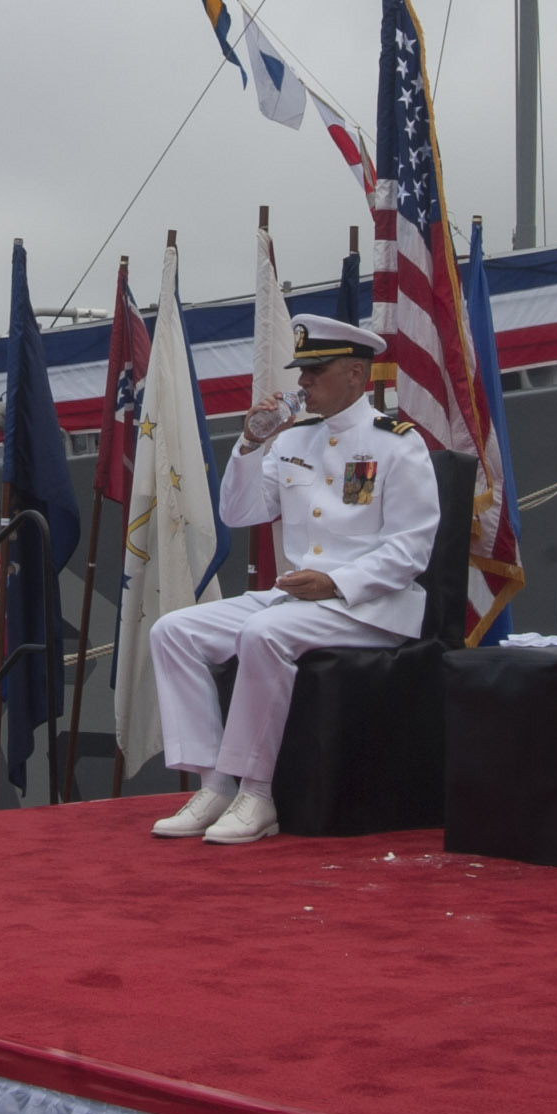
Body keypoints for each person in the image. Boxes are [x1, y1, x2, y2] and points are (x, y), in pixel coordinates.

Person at [147, 318, 439, 845]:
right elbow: (238, 514)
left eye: (316, 370)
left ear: (355, 374)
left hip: (370, 604)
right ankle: (216, 783)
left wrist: (336, 582)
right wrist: (248, 445)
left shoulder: (397, 445)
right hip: (298, 599)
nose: (303, 381)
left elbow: (410, 550)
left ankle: (257, 792)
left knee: (263, 634)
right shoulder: (294, 440)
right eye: (302, 370)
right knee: (173, 631)